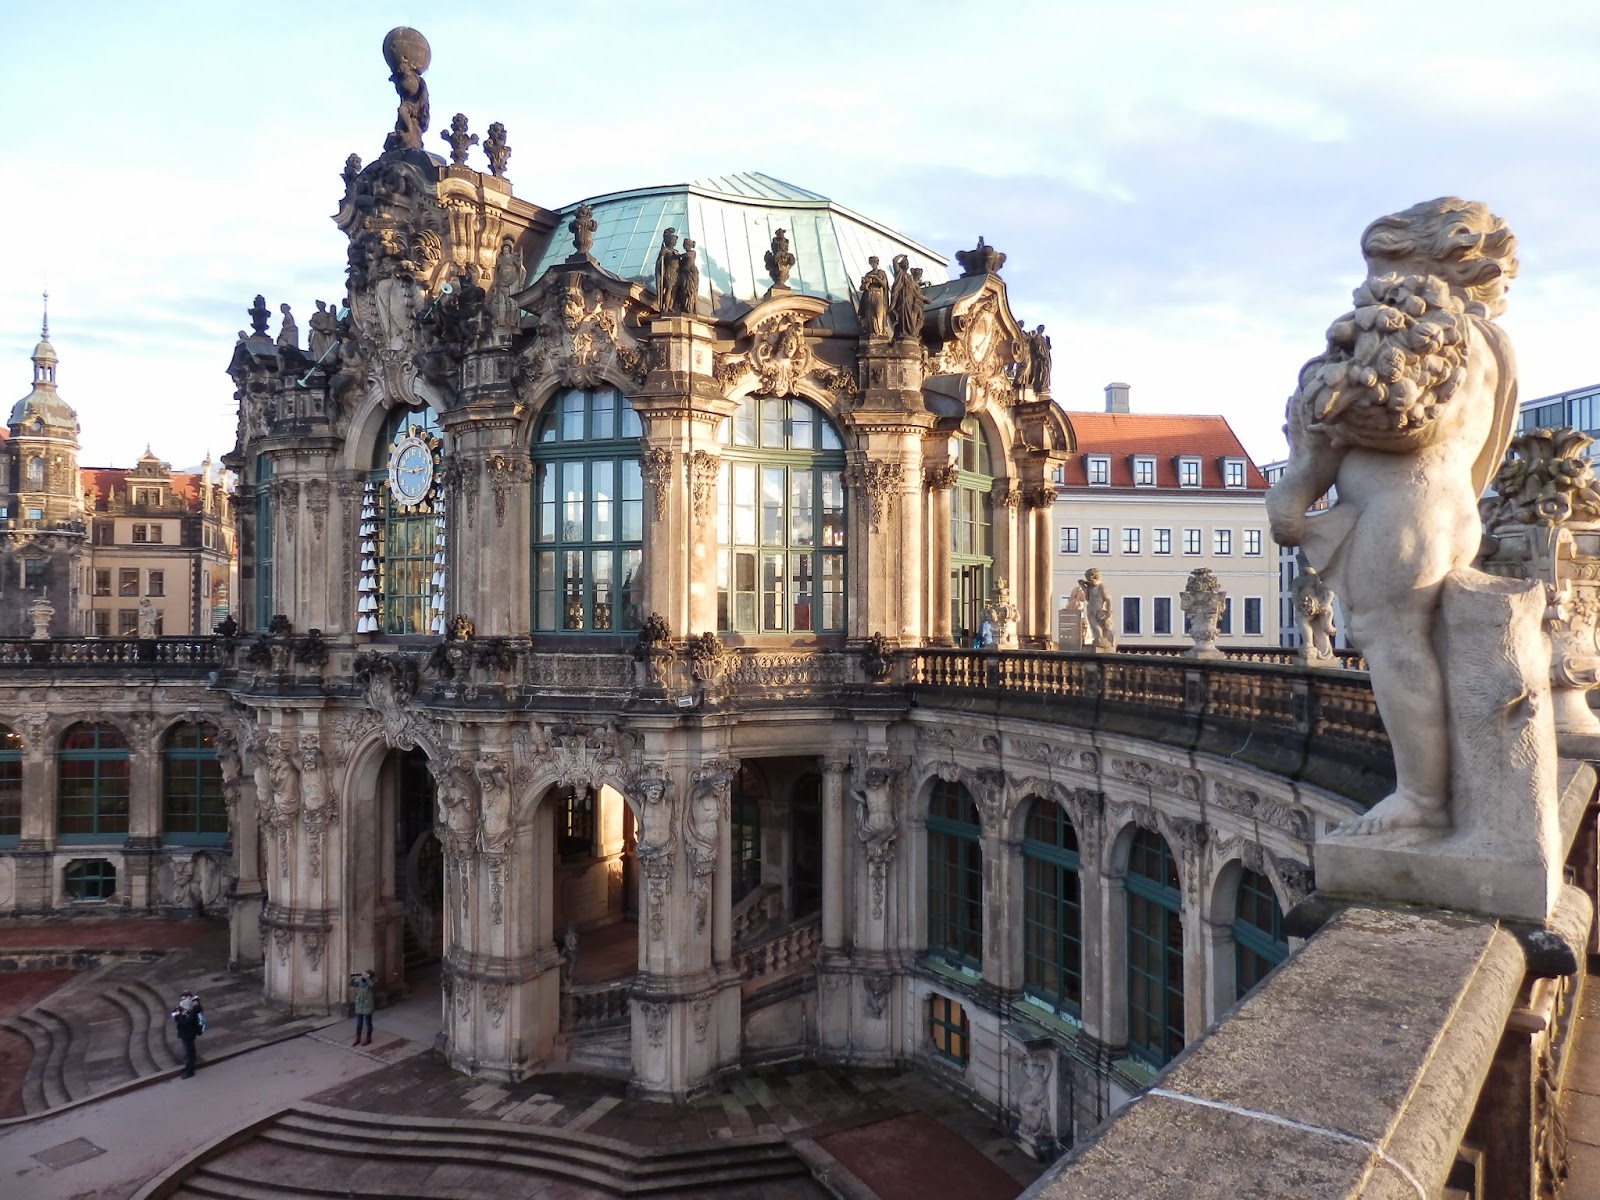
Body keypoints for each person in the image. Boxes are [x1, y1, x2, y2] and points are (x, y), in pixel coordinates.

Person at [171, 991, 204, 1078]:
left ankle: (190, 1071)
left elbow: (182, 1022)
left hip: (187, 1035)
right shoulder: (192, 1009)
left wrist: (177, 1015)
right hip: (189, 1034)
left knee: (189, 1052)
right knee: (190, 1050)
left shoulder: (190, 1015)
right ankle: (189, 1065)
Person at [350, 970, 376, 1046]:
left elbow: (372, 985)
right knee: (359, 1023)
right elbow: (351, 984)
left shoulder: (371, 982)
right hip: (360, 1006)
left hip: (368, 1006)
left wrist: (367, 978)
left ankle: (368, 1038)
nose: (364, 976)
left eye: (367, 975)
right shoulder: (360, 983)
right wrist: (353, 977)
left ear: (370, 976)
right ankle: (358, 1039)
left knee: (368, 1023)